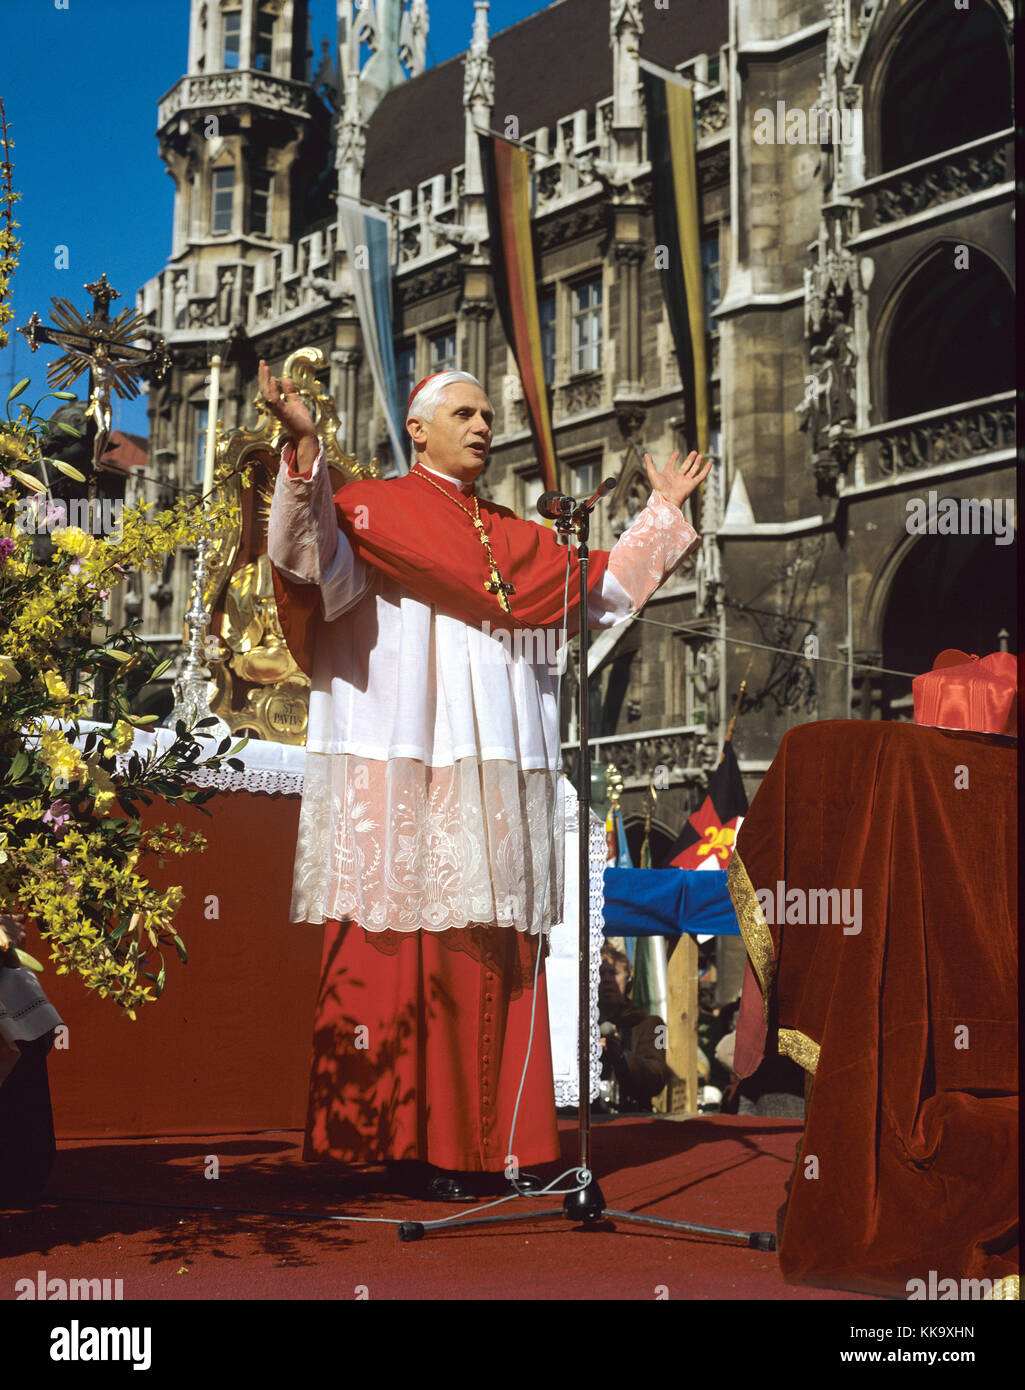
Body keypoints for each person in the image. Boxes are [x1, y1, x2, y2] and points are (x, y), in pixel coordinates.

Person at [264, 359, 711, 1199]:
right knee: (392, 945)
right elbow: (304, 556)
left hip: (495, 763)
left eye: (487, 416)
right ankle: (389, 1142)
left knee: (485, 951)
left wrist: (663, 515)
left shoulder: (514, 535)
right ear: (419, 427)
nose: (482, 427)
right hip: (402, 755)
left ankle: (474, 1148)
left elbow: (600, 593)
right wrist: (303, 454)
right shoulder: (368, 510)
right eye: (464, 414)